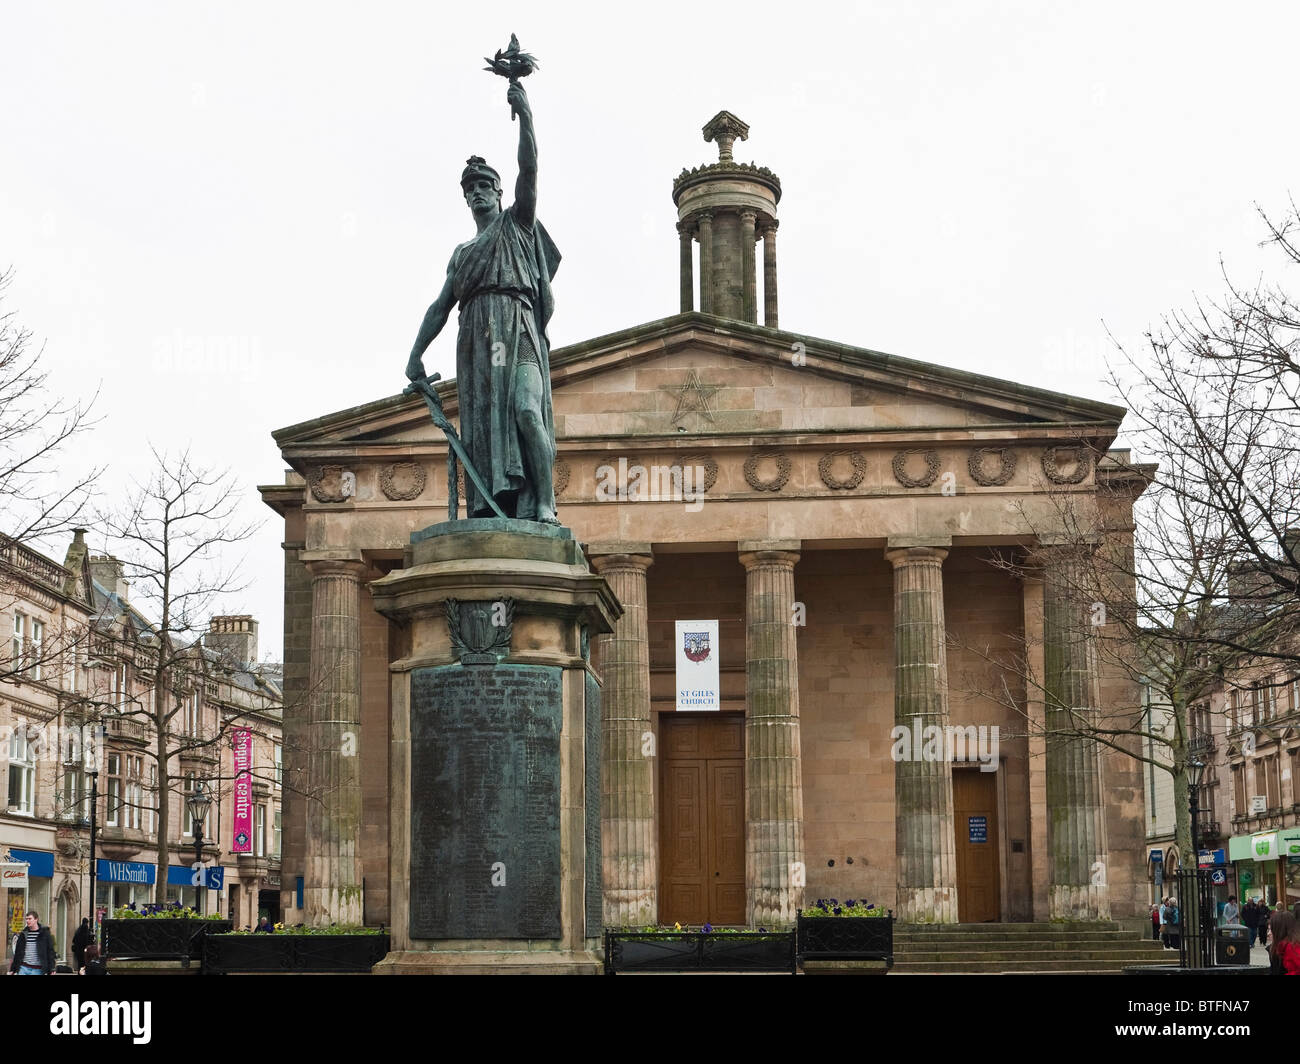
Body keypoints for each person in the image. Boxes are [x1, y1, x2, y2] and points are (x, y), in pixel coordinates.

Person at [404, 79, 561, 524]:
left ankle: (545, 503)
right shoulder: (462, 254)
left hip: (519, 325)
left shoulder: (519, 224)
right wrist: (415, 355)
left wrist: (525, 114)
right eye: (469, 188)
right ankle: (497, 508)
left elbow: (529, 168)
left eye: (484, 186)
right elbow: (439, 307)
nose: (476, 192)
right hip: (477, 339)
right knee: (484, 431)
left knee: (528, 412)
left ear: (499, 193)